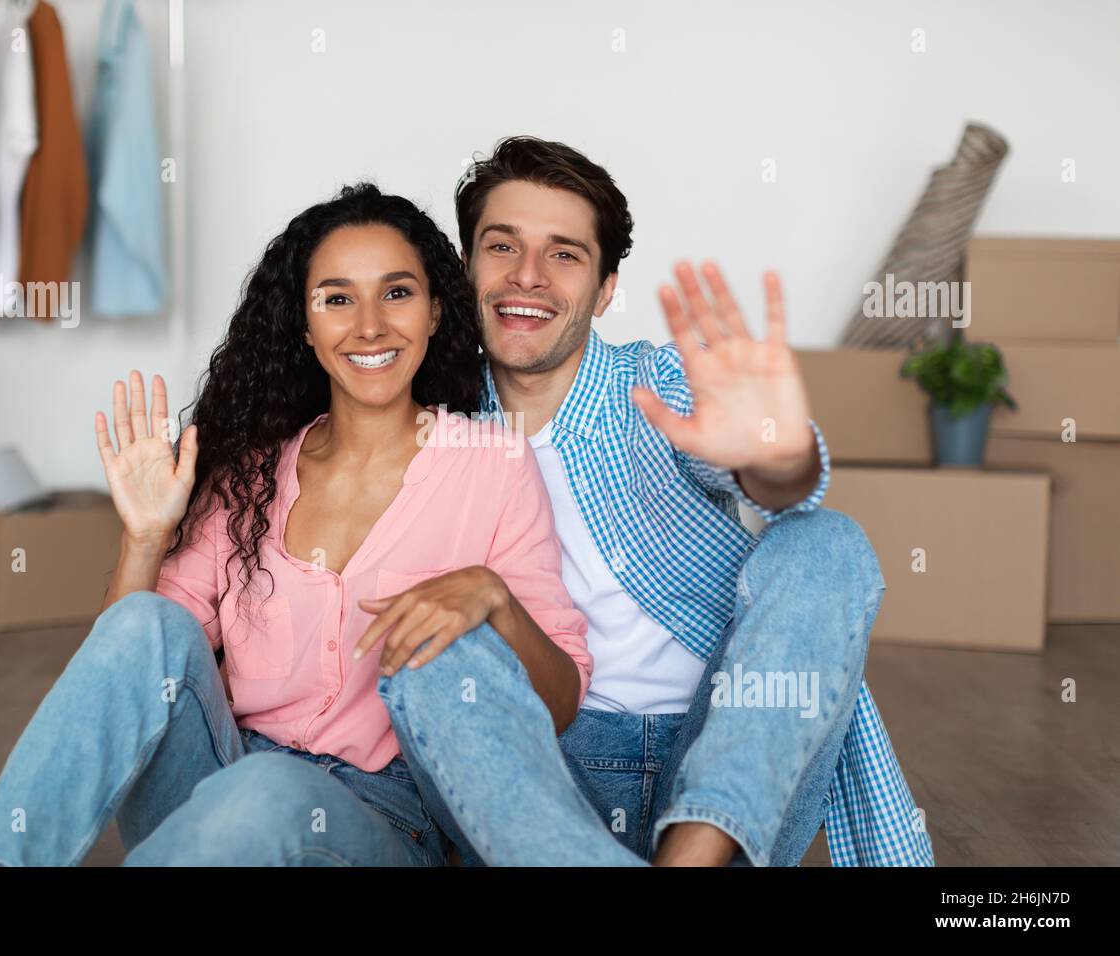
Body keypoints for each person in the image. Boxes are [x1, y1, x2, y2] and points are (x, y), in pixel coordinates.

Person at [0, 182, 591, 866]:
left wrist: (492, 594)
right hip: (213, 791)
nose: (370, 325)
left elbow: (556, 703)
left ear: (436, 311)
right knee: (149, 624)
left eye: (397, 292)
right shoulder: (248, 476)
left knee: (268, 789)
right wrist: (144, 538)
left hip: (382, 826)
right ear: (306, 325)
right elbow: (134, 669)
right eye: (337, 298)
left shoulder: (492, 465)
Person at [375, 136, 935, 866]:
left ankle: (694, 853)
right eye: (502, 247)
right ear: (466, 268)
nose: (528, 277)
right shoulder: (420, 420)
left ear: (606, 289)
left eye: (565, 255)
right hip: (539, 769)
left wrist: (777, 455)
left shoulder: (654, 383)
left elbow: (774, 477)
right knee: (431, 644)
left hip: (728, 751)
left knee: (825, 539)